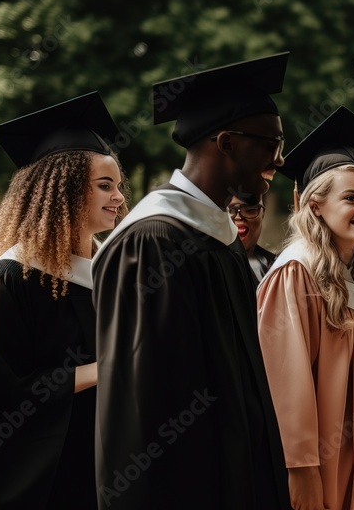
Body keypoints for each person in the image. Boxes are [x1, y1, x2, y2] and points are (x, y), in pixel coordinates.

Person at [91, 53, 292, 509]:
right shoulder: (154, 241)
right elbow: (146, 411)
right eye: (270, 143)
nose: (279, 160)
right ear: (226, 143)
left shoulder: (215, 237)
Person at [0, 92, 127, 509]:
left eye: (118, 185)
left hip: (117, 460)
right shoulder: (13, 279)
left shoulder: (114, 273)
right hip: (58, 474)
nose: (120, 199)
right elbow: (7, 396)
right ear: (63, 190)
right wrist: (107, 368)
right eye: (105, 186)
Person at [257, 106, 354, 510]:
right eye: (350, 198)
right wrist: (300, 470)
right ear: (315, 206)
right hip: (315, 459)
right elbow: (284, 384)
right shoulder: (295, 273)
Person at [227, 193, 276, 279]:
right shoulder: (212, 264)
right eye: (232, 210)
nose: (238, 217)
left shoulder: (276, 264)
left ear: (263, 213)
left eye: (250, 210)